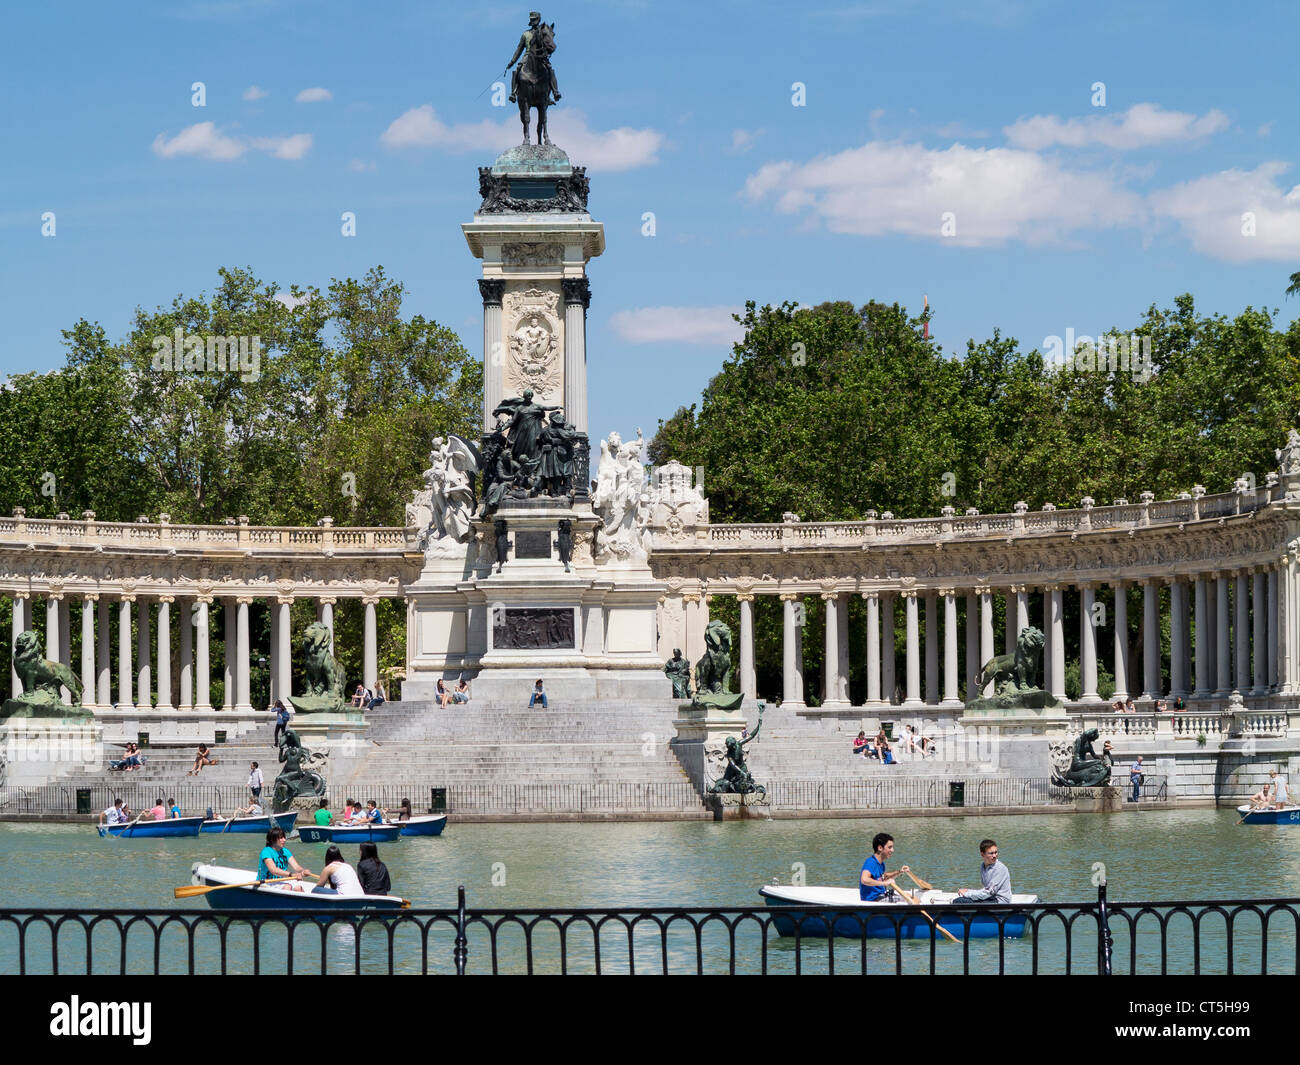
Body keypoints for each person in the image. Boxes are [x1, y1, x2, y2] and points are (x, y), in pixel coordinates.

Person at [859, 832, 909, 902]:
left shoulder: (881, 864)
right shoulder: (871, 862)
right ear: (880, 848)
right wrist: (884, 883)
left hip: (881, 896)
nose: (892, 850)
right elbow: (864, 879)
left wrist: (900, 872)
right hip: (873, 900)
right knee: (907, 900)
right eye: (889, 847)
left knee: (908, 896)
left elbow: (883, 877)